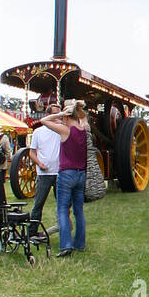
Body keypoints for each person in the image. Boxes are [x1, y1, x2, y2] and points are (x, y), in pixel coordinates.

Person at [54, 101, 91, 257]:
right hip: (81, 174)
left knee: (62, 210)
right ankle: (80, 244)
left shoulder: (65, 130)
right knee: (79, 211)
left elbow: (43, 121)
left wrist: (59, 114)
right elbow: (84, 118)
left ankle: (66, 245)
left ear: (67, 117)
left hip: (66, 173)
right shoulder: (84, 128)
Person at [27, 111, 63, 227]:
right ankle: (32, 231)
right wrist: (39, 163)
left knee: (63, 204)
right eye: (54, 114)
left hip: (59, 172)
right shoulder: (38, 132)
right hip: (44, 173)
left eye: (59, 114)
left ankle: (62, 228)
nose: (57, 116)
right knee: (38, 204)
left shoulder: (61, 130)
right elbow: (32, 152)